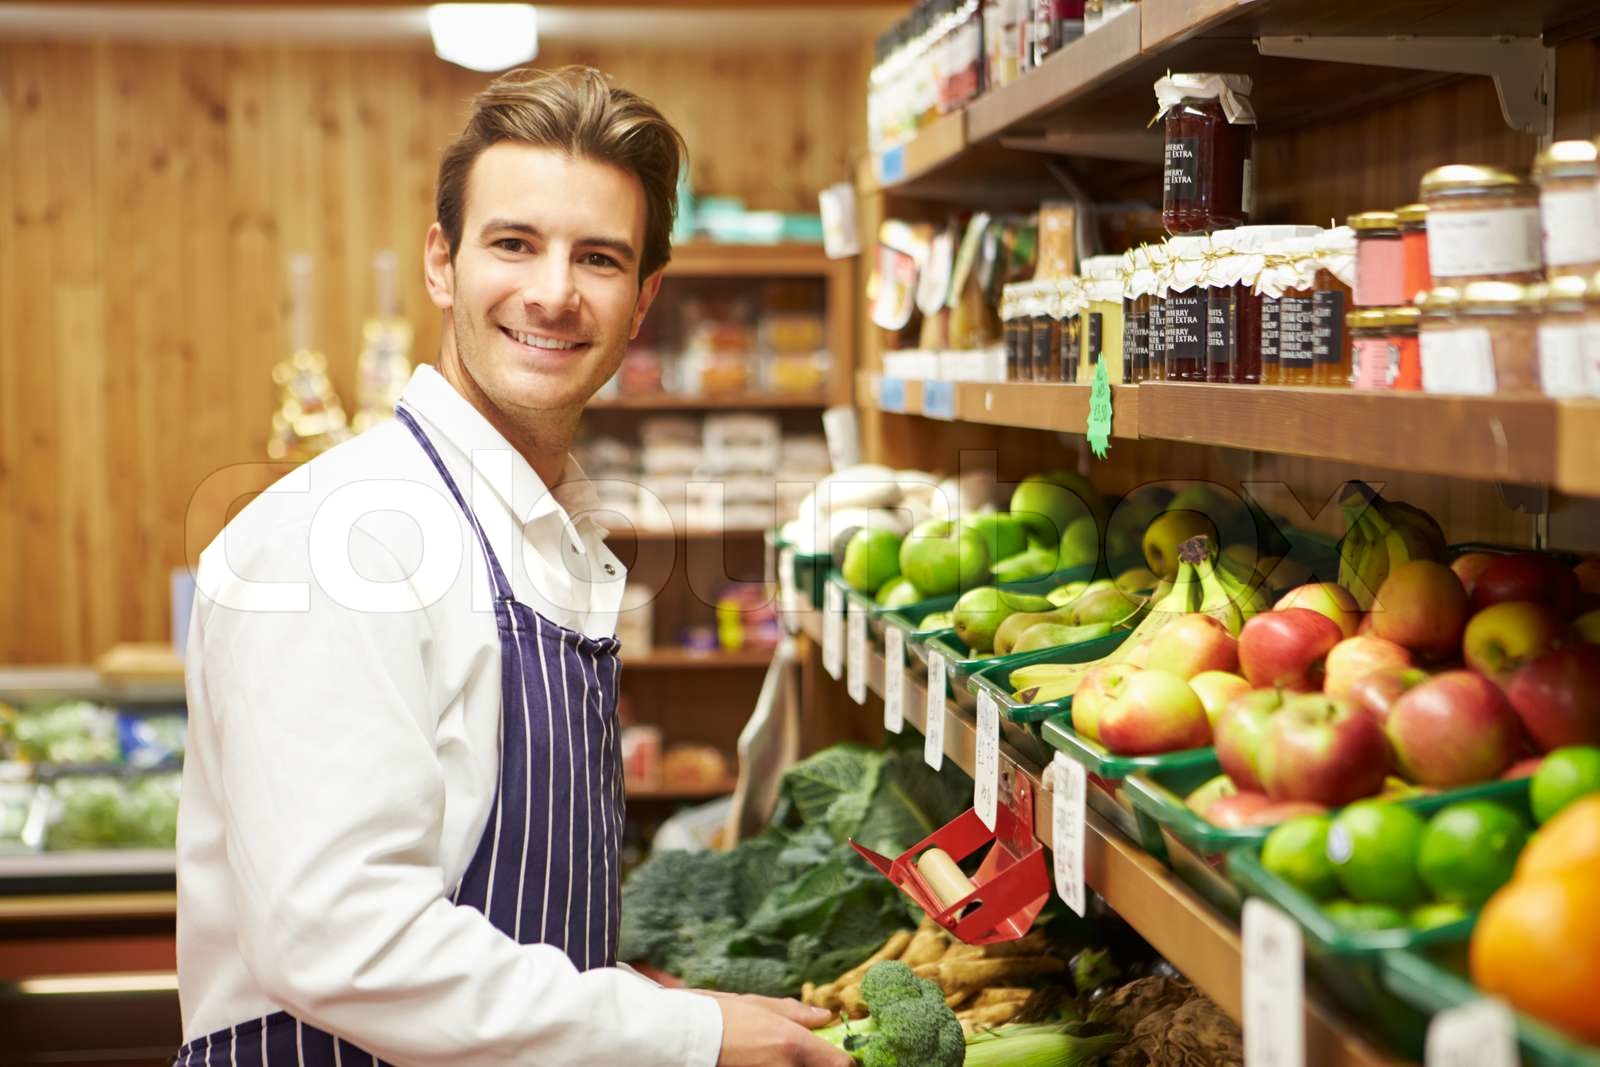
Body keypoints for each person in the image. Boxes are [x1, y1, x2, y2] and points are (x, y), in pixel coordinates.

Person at [174, 66, 852, 1067]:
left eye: (599, 257)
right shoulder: (348, 538)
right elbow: (339, 939)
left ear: (643, 299)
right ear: (441, 264)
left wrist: (633, 993)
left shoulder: (551, 534)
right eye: (513, 243)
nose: (552, 292)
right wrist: (681, 1031)